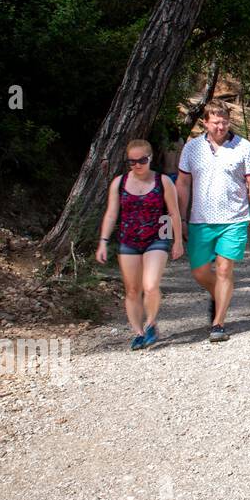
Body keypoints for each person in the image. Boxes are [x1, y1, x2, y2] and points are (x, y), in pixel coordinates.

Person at [176, 101, 250, 343]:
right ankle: (219, 294)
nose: (221, 126)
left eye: (225, 122)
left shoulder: (243, 147)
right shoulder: (192, 148)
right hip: (200, 220)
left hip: (234, 219)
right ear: (205, 122)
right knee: (199, 271)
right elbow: (182, 183)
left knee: (225, 269)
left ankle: (218, 324)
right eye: (216, 122)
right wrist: (180, 218)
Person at [94, 140, 185, 350]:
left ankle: (151, 323)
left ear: (150, 158)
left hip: (157, 237)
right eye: (132, 162)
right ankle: (138, 332)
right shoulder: (119, 183)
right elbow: (111, 214)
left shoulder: (163, 181)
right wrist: (103, 242)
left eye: (142, 160)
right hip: (128, 240)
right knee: (133, 290)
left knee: (150, 285)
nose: (137, 165)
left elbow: (174, 213)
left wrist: (178, 241)